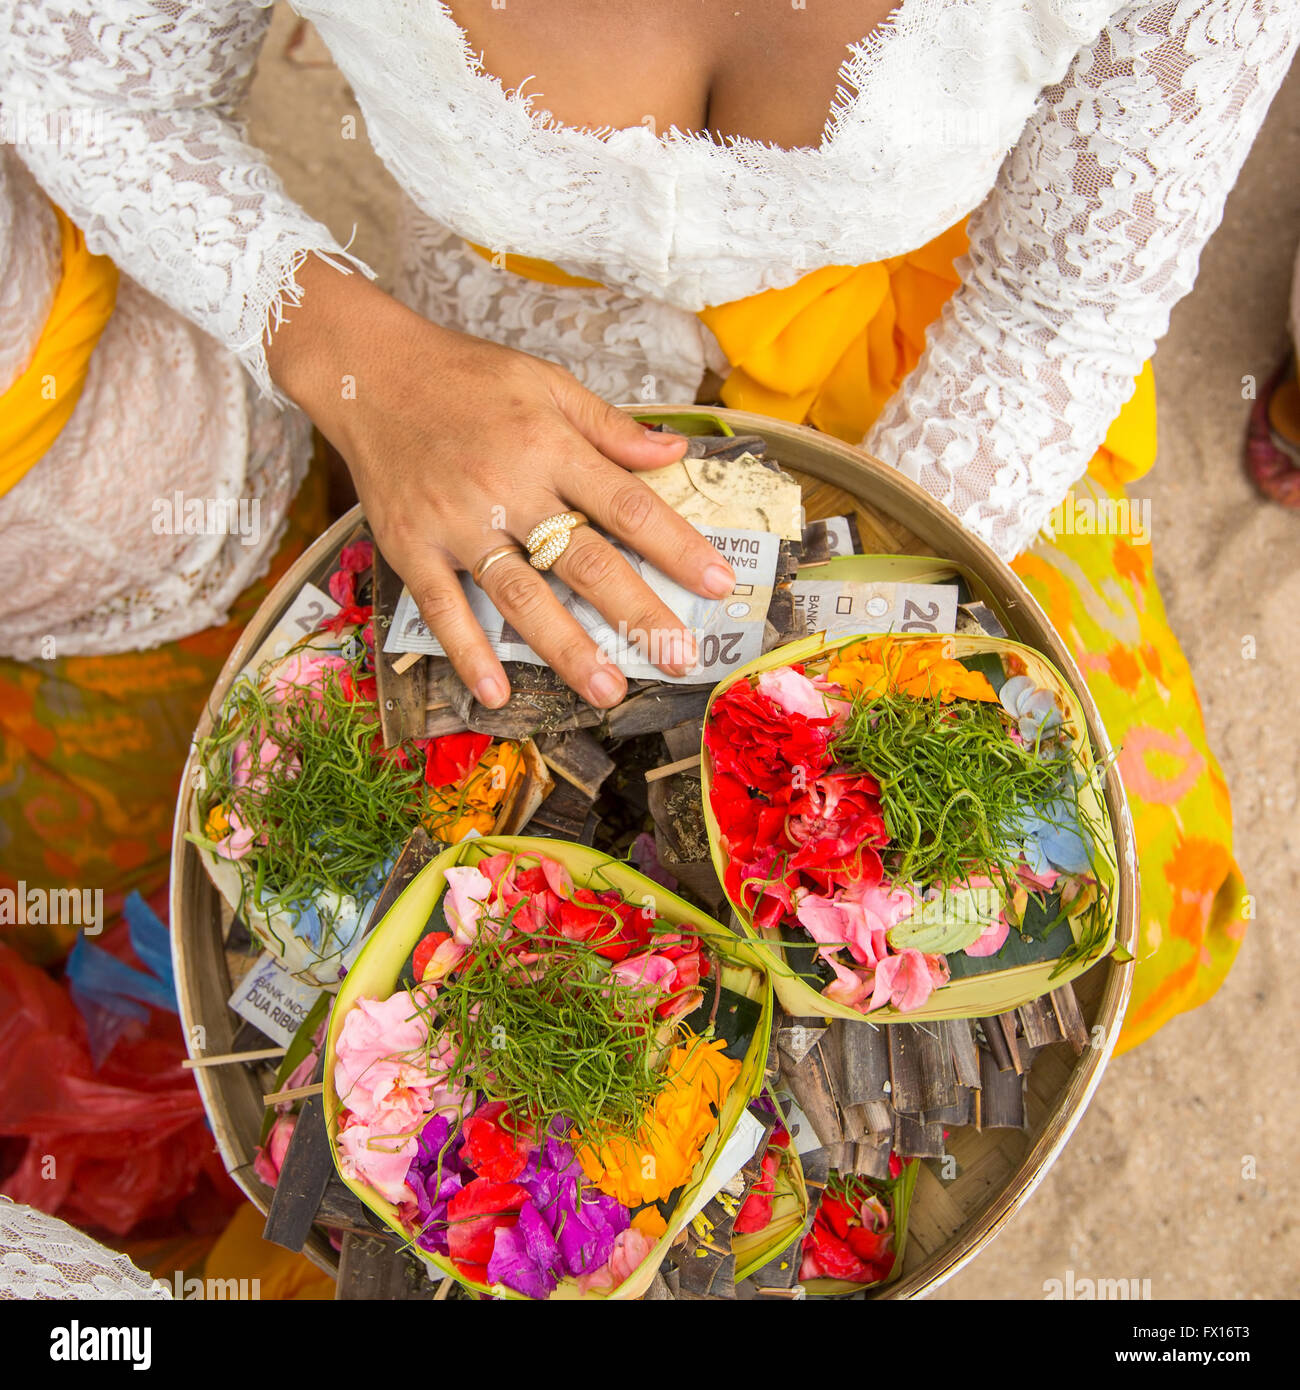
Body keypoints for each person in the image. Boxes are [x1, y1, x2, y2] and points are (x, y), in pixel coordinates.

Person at [4, 2, 1295, 1058]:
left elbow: (1045, 311)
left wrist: (834, 629)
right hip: (470, 363)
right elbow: (77, 80)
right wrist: (357, 366)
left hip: (920, 385)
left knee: (1104, 898)